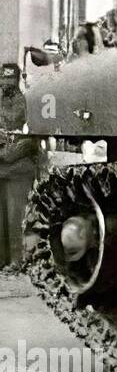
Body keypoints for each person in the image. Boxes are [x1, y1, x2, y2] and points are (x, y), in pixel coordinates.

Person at [0, 63, 39, 267]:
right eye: (3, 81)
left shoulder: (28, 101)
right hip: (3, 168)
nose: (6, 86)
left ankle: (17, 260)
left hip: (19, 168)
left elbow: (32, 138)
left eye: (10, 82)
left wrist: (10, 152)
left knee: (17, 219)